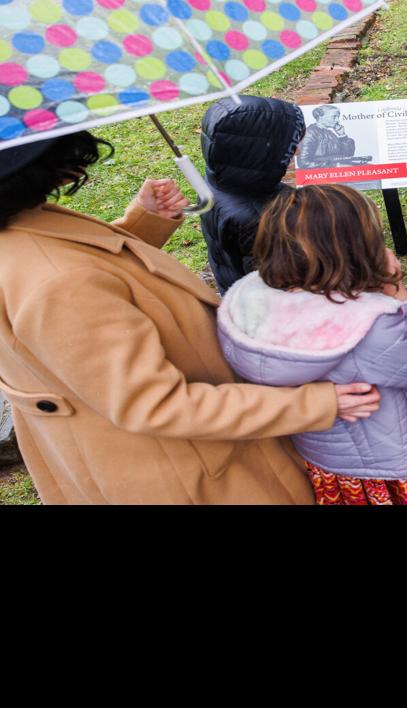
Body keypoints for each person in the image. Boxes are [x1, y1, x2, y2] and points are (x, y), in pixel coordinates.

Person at [0, 131, 382, 505]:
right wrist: (313, 405)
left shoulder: (20, 236)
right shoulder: (61, 284)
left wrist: (141, 225)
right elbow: (157, 403)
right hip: (190, 473)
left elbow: (88, 285)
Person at [216, 184, 407, 505]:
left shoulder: (248, 306)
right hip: (403, 457)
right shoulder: (367, 325)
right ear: (353, 249)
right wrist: (400, 295)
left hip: (335, 463)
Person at [198, 95, 306, 295]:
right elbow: (283, 289)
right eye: (291, 145)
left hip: (236, 289)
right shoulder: (262, 220)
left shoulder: (220, 179)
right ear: (259, 154)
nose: (298, 151)